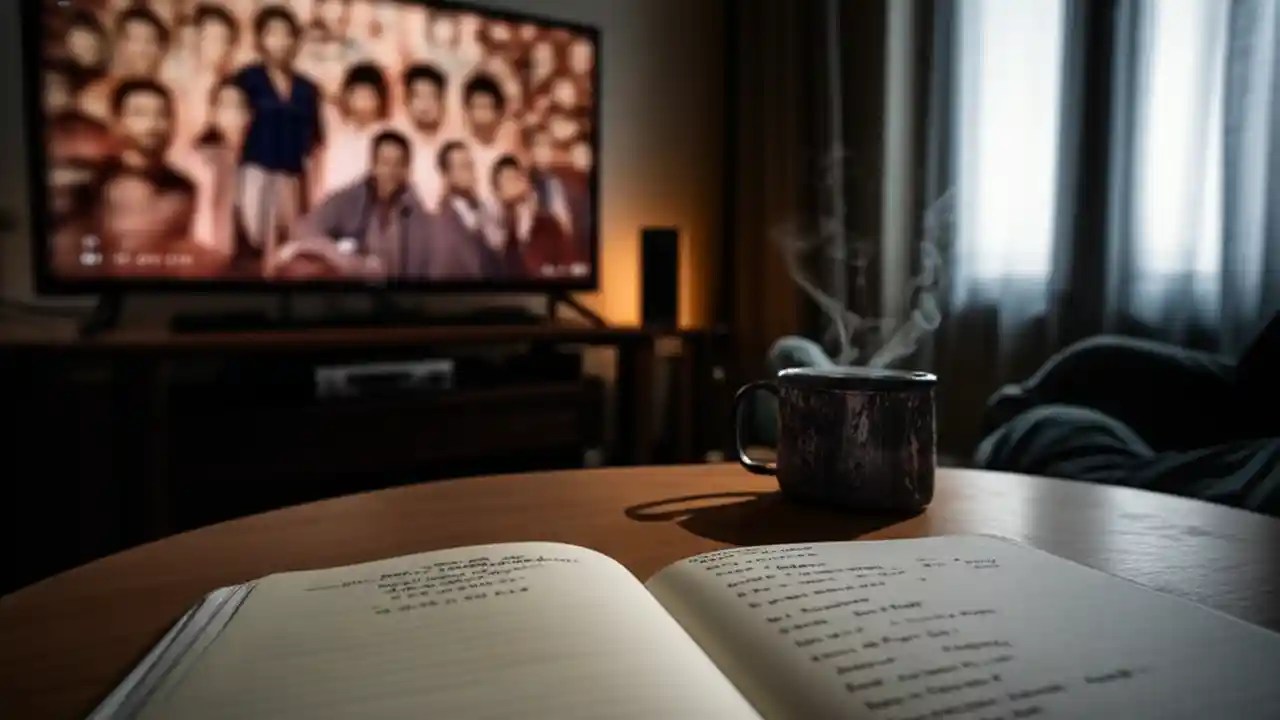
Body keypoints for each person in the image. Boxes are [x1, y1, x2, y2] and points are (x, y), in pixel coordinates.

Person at [93, 80, 224, 277]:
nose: (153, 124)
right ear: (118, 122)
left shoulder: (183, 188)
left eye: (162, 115)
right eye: (140, 114)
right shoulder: (95, 183)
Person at [234, 5, 324, 273]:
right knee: (252, 242)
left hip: (291, 178)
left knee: (287, 252)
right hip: (253, 172)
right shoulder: (247, 79)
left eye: (287, 35)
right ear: (260, 39)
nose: (280, 42)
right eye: (272, 34)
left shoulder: (307, 89)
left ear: (296, 41)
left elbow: (314, 141)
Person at [291, 130, 430, 279]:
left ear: (406, 169)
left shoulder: (415, 210)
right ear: (373, 165)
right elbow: (306, 229)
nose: (391, 171)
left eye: (398, 164)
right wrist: (345, 260)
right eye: (385, 163)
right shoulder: (350, 199)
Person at [79, 7, 171, 121]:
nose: (143, 50)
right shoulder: (97, 96)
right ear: (120, 45)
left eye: (150, 41)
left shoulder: (168, 95)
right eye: (136, 40)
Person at [491, 155, 574, 277]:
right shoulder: (499, 232)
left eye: (516, 178)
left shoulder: (549, 225)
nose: (513, 184)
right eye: (506, 180)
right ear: (497, 192)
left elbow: (566, 266)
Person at [319, 62, 392, 196]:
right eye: (357, 95)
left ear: (380, 100)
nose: (362, 102)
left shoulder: (387, 135)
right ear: (347, 97)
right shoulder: (338, 135)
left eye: (369, 96)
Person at [432, 140, 502, 278]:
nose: (470, 171)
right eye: (463, 166)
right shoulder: (440, 223)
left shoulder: (484, 211)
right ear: (447, 175)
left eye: (471, 165)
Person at [398, 63, 449, 211]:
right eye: (418, 96)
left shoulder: (452, 146)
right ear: (407, 102)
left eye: (431, 96)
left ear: (441, 102)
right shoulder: (395, 145)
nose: (424, 105)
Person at [461, 72, 515, 207]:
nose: (481, 114)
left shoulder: (508, 153)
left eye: (486, 107)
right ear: (467, 110)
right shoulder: (460, 152)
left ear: (498, 112)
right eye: (476, 107)